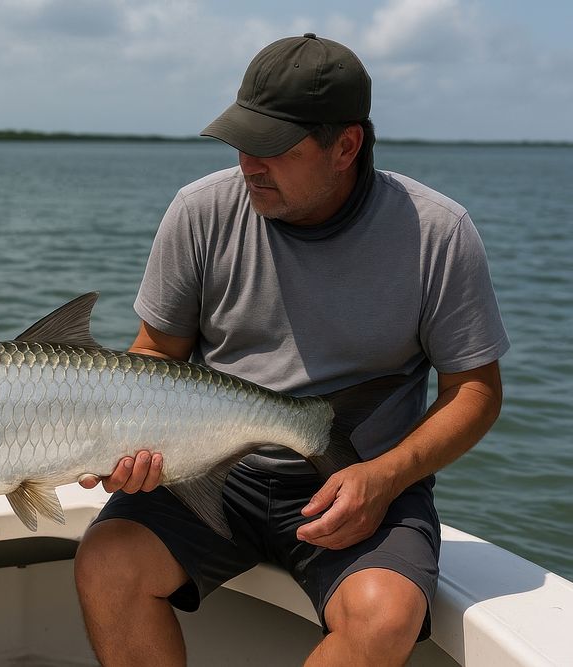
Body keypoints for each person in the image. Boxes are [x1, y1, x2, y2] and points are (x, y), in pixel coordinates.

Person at [75, 33, 508, 667]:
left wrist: (385, 477)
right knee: (107, 565)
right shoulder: (200, 211)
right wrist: (123, 440)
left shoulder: (438, 232)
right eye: (241, 144)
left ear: (347, 146)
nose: (250, 165)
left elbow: (476, 391)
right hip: (207, 470)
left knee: (385, 617)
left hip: (367, 480)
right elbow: (157, 354)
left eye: (275, 149)